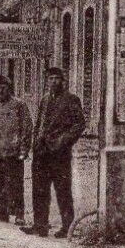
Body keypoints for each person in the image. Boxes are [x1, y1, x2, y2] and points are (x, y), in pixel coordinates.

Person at [27, 66, 85, 238]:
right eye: (51, 79)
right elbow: (39, 123)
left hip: (59, 154)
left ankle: (67, 227)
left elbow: (79, 124)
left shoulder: (71, 99)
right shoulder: (44, 99)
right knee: (39, 190)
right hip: (41, 153)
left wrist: (63, 141)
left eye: (57, 79)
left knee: (62, 190)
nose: (53, 82)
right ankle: (40, 225)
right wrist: (35, 142)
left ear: (63, 81)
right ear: (47, 81)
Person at [0, 76, 30, 224]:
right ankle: (2, 212)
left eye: (3, 88)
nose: (0, 91)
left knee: (15, 183)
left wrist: (24, 149)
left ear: (9, 89)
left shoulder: (19, 105)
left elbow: (27, 128)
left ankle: (19, 214)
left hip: (13, 152)